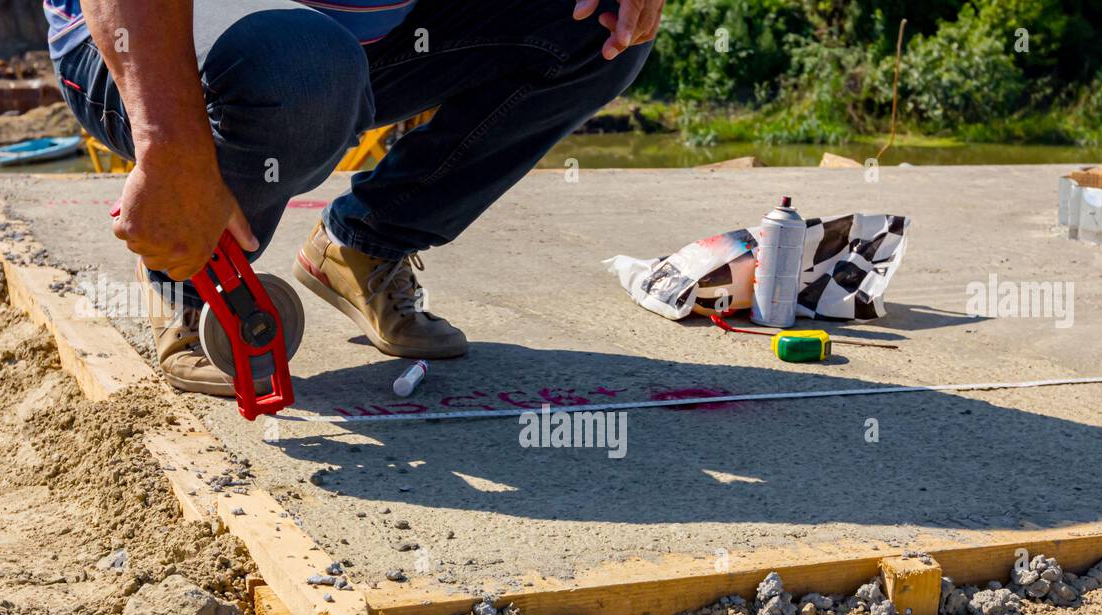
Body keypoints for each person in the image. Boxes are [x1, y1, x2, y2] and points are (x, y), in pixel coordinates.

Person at [45, 0, 661, 395]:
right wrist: (167, 150)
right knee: (304, 63)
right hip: (151, 42)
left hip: (366, 39)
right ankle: (188, 271)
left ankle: (364, 244)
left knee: (598, 24)